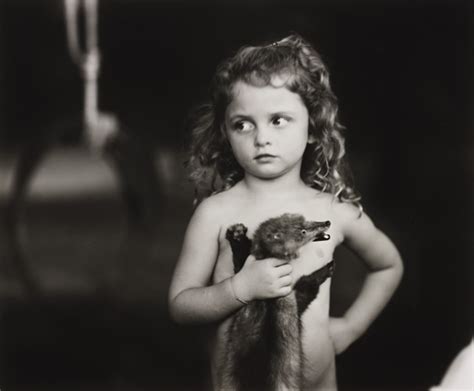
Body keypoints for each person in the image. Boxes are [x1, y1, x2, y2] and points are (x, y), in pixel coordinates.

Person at [168, 33, 403, 389]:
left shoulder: (330, 212)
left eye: (278, 119)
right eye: (243, 124)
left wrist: (352, 325)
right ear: (225, 133)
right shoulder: (215, 214)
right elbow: (180, 305)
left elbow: (387, 264)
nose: (261, 137)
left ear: (312, 126)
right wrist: (239, 288)